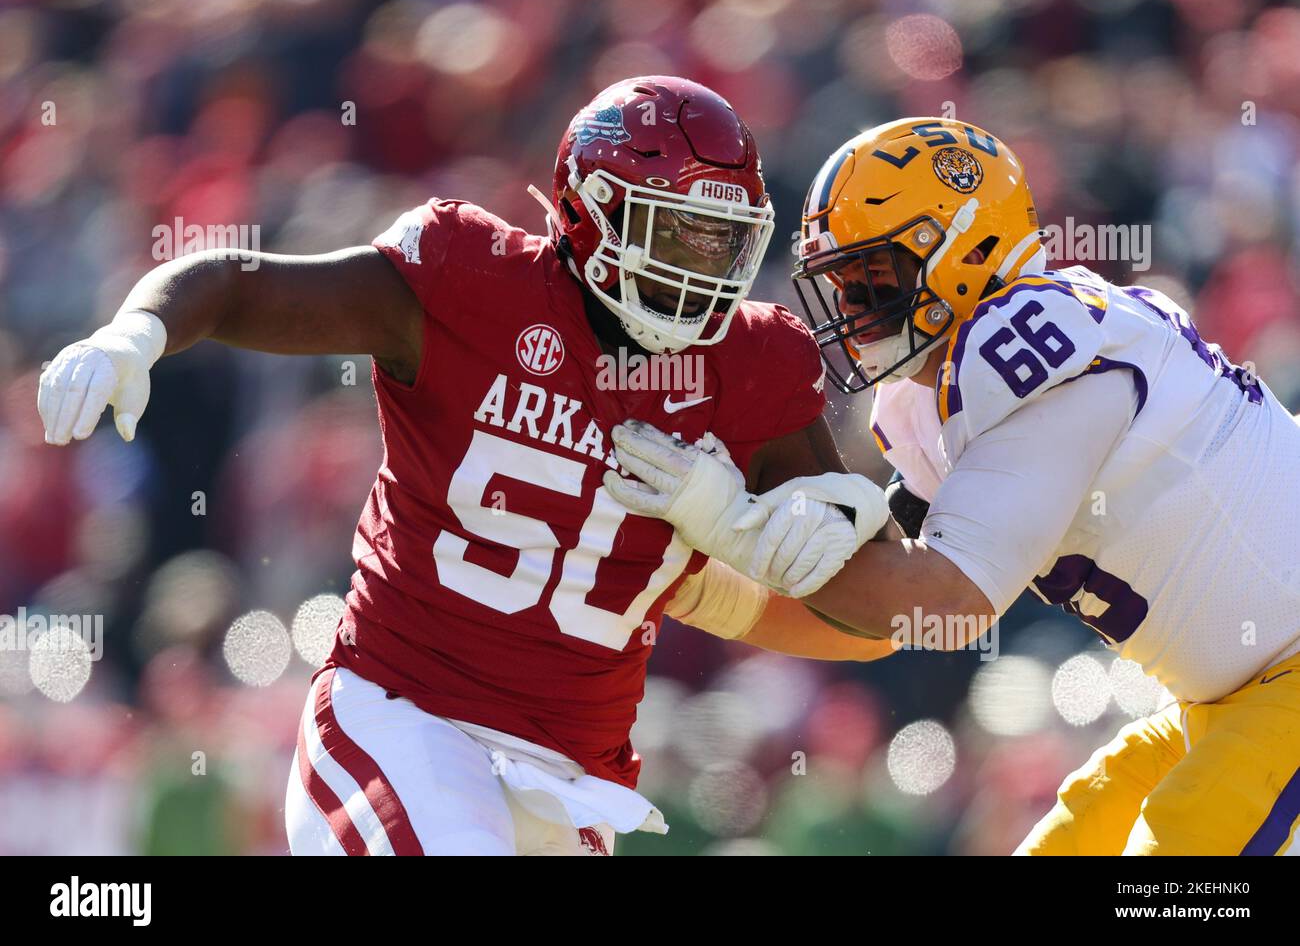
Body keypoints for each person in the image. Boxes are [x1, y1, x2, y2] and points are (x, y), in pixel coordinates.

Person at [36, 76, 891, 856]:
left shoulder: (754, 364)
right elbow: (237, 285)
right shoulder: (470, 280)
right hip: (403, 720)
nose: (698, 267)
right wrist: (137, 332)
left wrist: (735, 547)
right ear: (591, 208)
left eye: (720, 242)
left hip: (572, 779)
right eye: (674, 233)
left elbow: (874, 618)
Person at [604, 117, 1300, 856]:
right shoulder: (951, 395)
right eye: (838, 283)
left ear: (963, 249)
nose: (848, 309)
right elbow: (878, 623)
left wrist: (732, 522)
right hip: (1230, 697)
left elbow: (944, 602)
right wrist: (698, 582)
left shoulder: (1031, 350)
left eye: (869, 277)